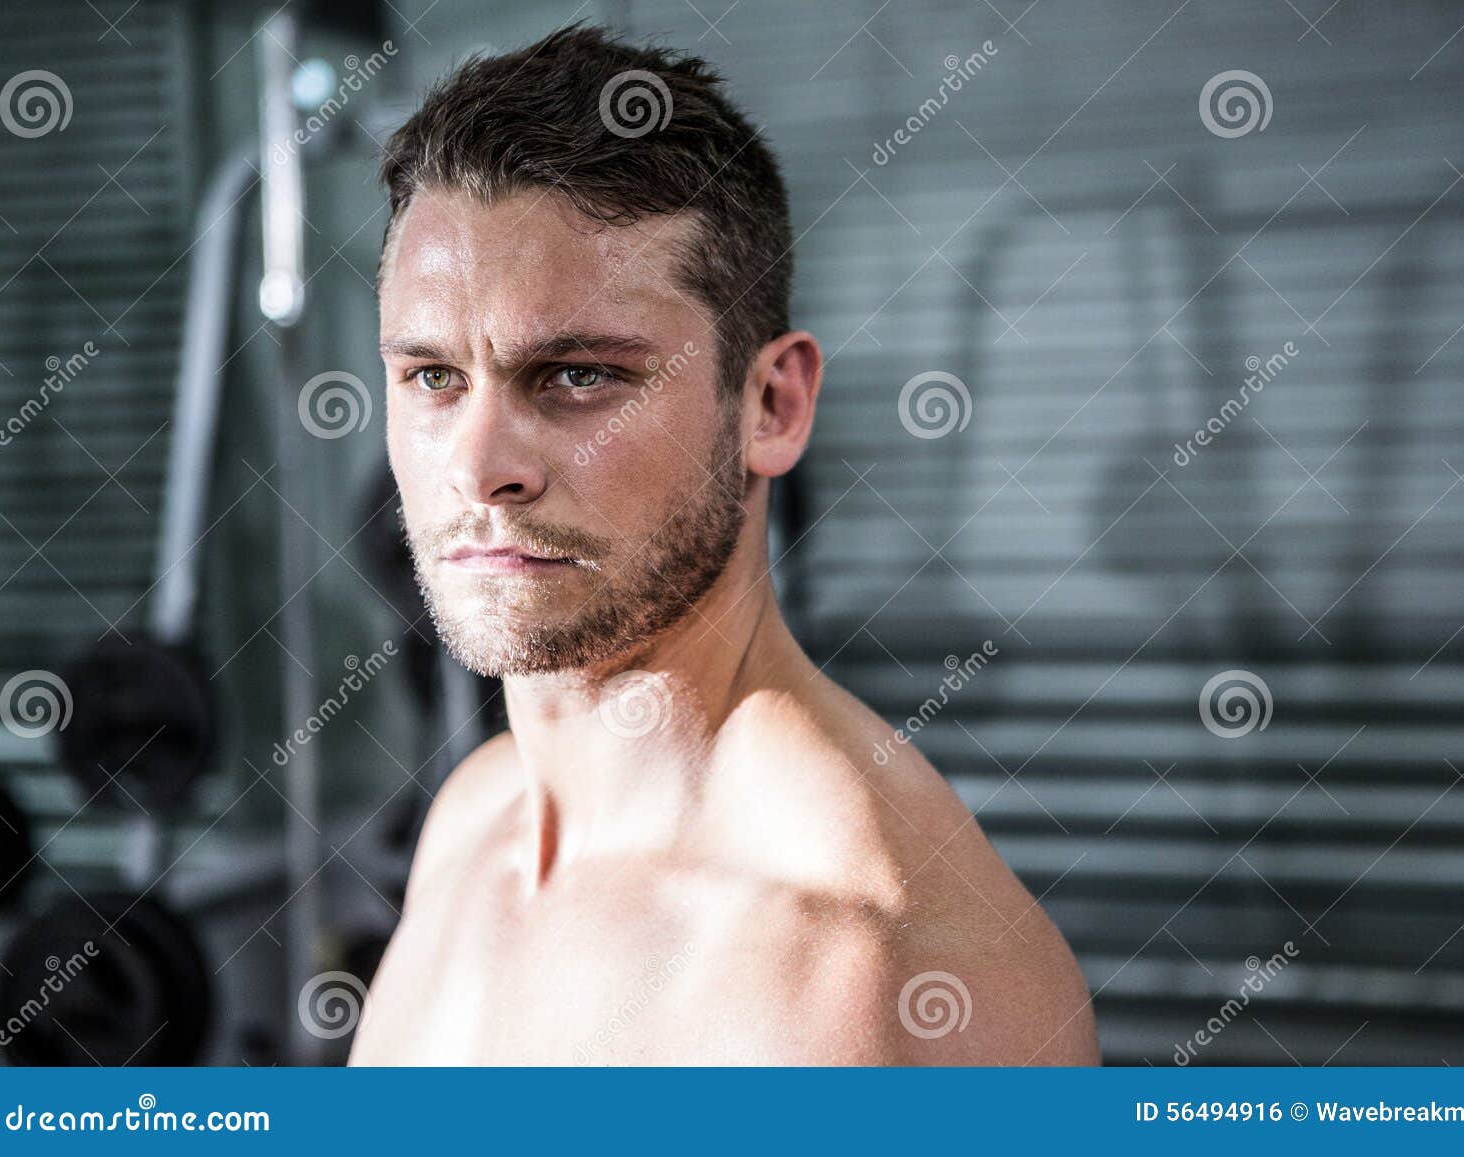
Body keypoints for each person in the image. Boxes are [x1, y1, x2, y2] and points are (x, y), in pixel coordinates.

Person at [349, 22, 1097, 1066]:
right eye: (433, 377)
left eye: (577, 375)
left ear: (771, 404)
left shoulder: (867, 967)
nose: (479, 470)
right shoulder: (478, 815)